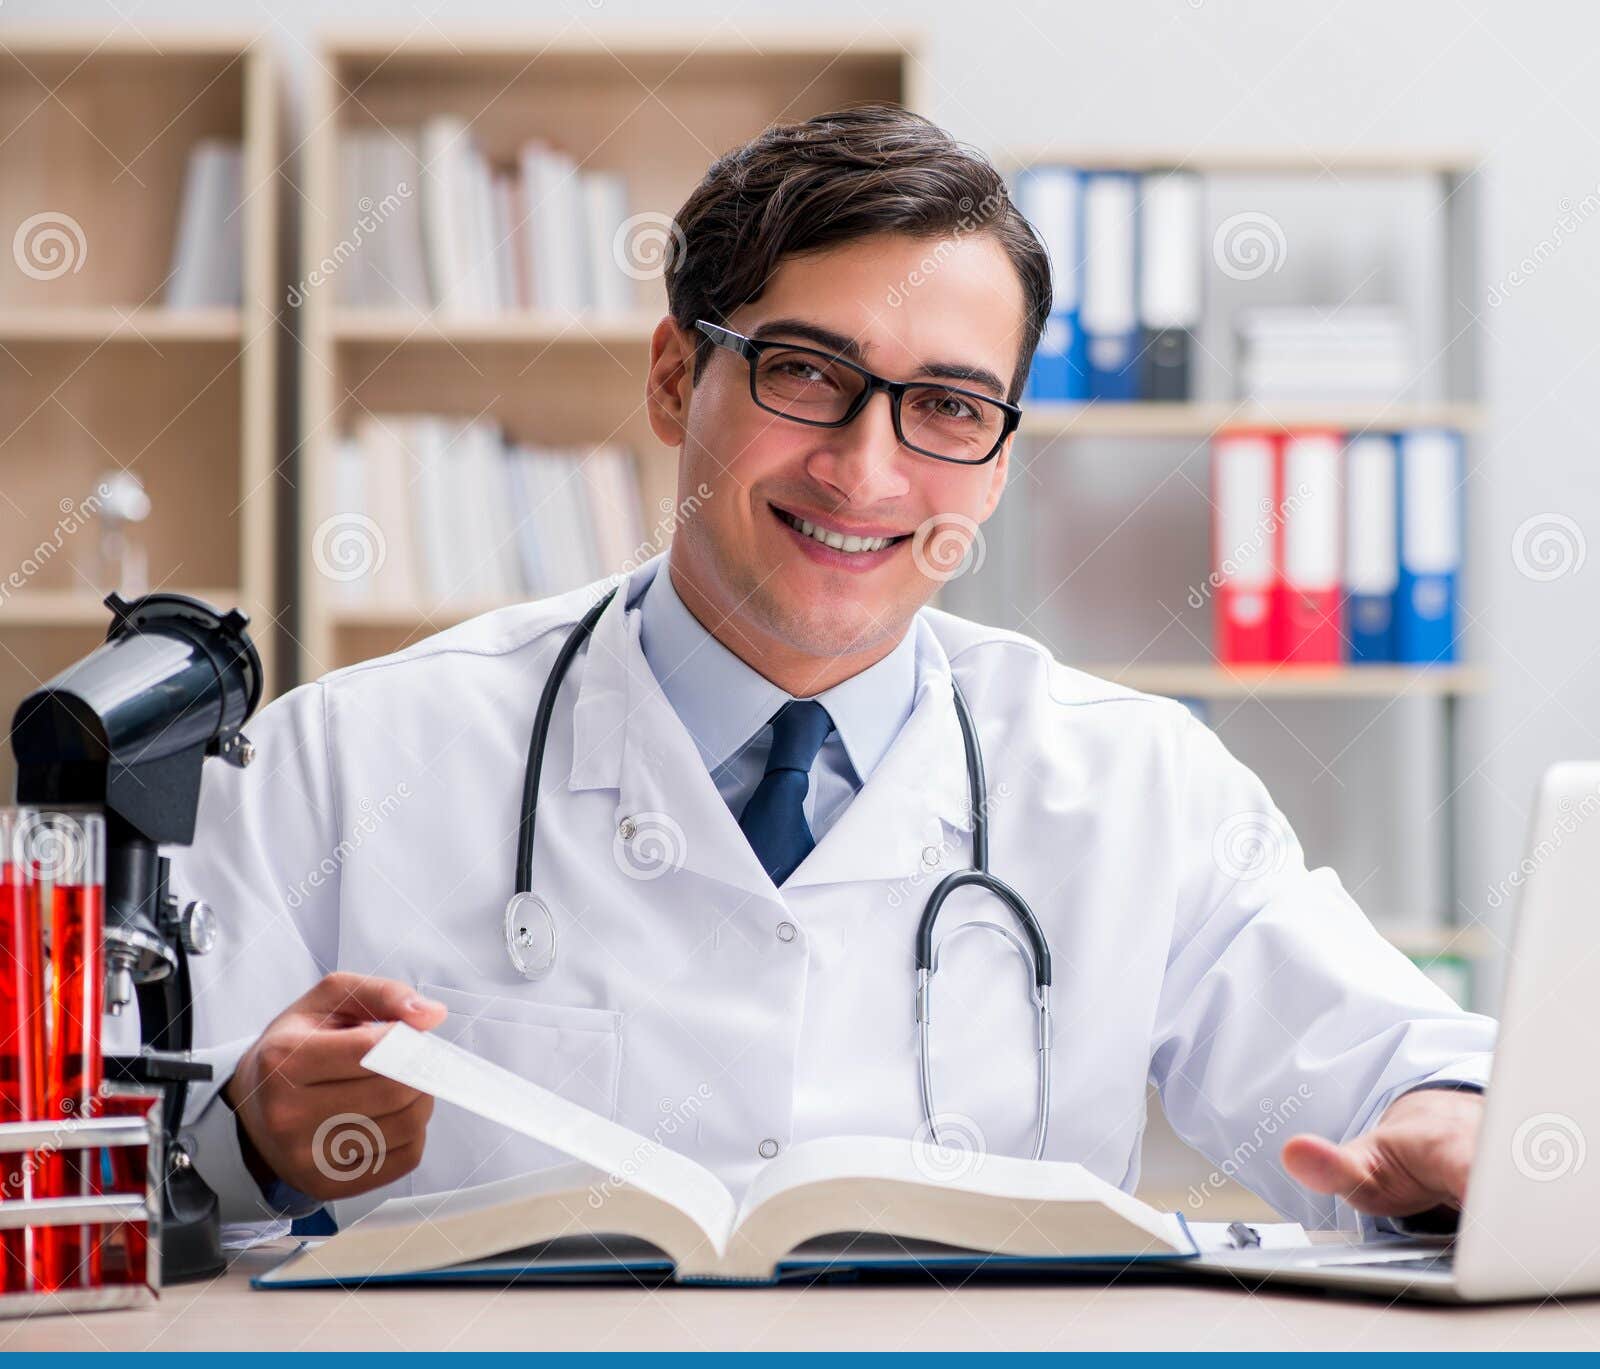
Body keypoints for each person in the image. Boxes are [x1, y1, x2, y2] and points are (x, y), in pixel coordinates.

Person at [162, 104, 1492, 1238]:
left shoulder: (1138, 784)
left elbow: (1403, 1074)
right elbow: (135, 1173)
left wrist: (1445, 1121)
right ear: (676, 378)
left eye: (949, 407)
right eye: (805, 374)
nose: (865, 471)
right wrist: (252, 1143)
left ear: (1000, 458)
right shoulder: (349, 759)